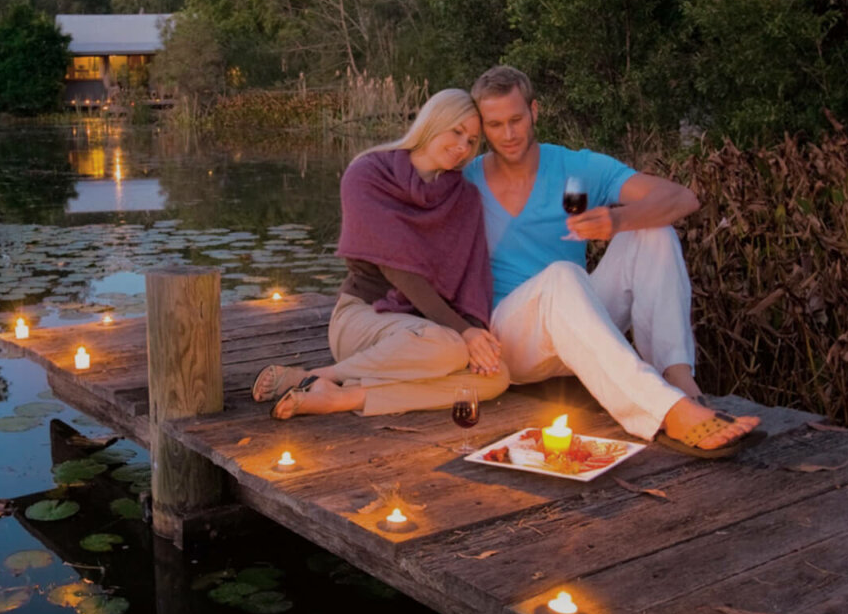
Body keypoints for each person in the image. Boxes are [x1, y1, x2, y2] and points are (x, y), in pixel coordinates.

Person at [462, 65, 760, 456]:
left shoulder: (577, 167)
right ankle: (667, 412)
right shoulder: (467, 179)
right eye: (495, 125)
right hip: (514, 340)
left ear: (535, 111)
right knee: (562, 275)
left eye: (516, 119)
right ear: (483, 127)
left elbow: (681, 198)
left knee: (653, 230)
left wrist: (618, 219)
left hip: (582, 323)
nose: (509, 134)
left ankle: (680, 383)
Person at [253, 88, 510, 419]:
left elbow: (472, 279)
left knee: (497, 375)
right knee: (448, 347)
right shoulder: (368, 173)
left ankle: (344, 396)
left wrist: (475, 339)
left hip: (428, 332)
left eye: (472, 141)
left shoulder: (465, 199)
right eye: (457, 131)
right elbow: (397, 269)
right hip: (364, 317)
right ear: (433, 121)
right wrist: (465, 334)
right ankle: (319, 376)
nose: (462, 146)